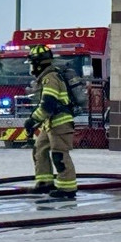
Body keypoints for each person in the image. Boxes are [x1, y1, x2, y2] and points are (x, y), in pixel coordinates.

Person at [24, 44, 77, 200]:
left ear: (39, 63)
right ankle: (44, 183)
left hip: (60, 123)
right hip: (50, 123)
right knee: (39, 149)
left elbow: (48, 104)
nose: (32, 68)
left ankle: (67, 187)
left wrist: (32, 120)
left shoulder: (51, 78)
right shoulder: (46, 78)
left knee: (59, 154)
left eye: (33, 63)